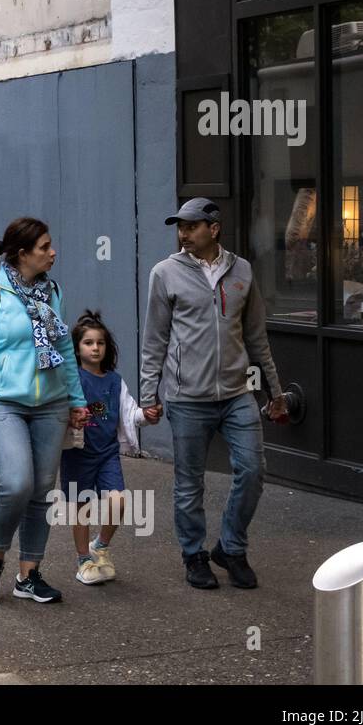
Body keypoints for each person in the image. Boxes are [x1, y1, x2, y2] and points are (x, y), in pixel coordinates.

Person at [140, 198, 285, 590]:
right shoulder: (165, 273)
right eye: (180, 227)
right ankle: (194, 555)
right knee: (189, 484)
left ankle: (231, 548)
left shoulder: (243, 272)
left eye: (191, 226)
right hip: (187, 397)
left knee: (253, 471)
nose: (183, 233)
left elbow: (257, 337)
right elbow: (154, 340)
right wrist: (148, 394)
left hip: (238, 394)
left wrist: (275, 391)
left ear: (214, 229)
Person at [0, 217, 89, 605]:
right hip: (2, 402)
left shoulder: (53, 292)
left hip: (51, 405)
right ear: (22, 254)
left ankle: (29, 575)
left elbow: (65, 349)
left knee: (42, 491)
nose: (53, 252)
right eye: (45, 246)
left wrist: (77, 400)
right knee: (15, 483)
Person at [58, 310, 153, 585]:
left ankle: (99, 546)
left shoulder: (114, 380)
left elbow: (128, 412)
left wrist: (145, 416)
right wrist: (71, 418)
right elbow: (58, 412)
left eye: (100, 343)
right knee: (81, 509)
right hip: (77, 453)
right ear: (77, 347)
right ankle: (83, 561)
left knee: (118, 500)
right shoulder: (71, 378)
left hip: (107, 453)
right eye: (88, 343)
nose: (95, 348)